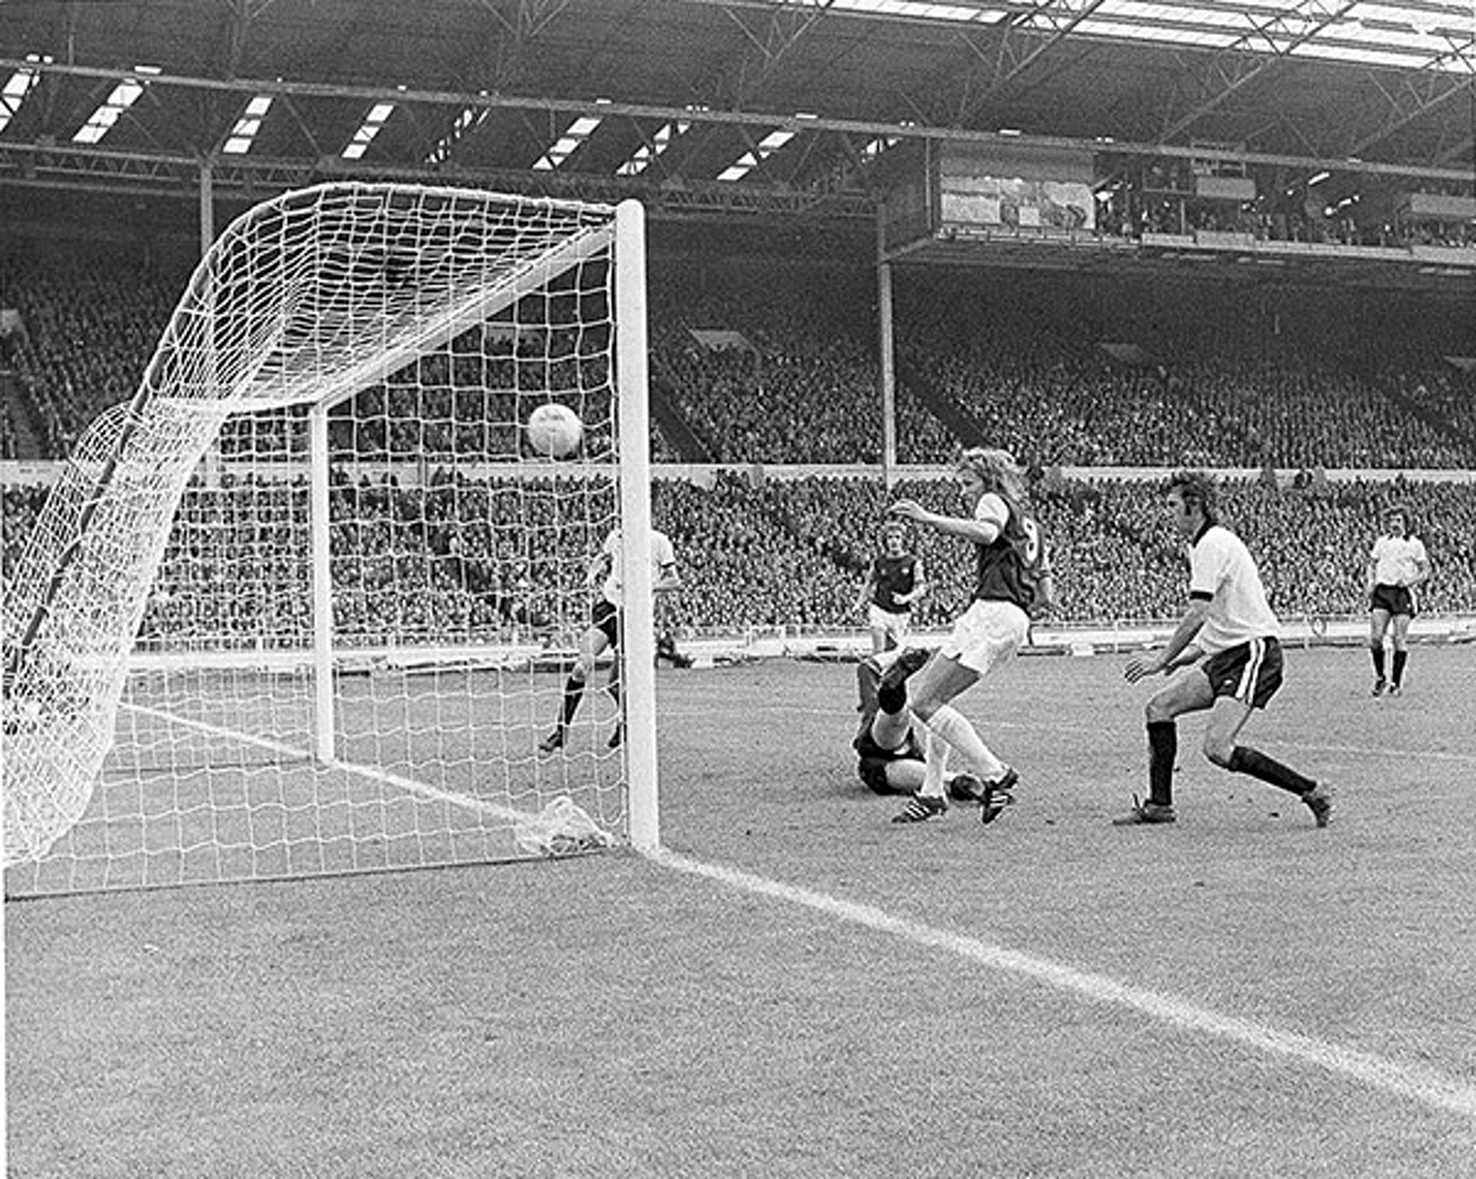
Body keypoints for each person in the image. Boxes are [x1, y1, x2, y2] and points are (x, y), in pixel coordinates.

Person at [1119, 470, 1333, 827]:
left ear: (1195, 505)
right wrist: (1184, 656)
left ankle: (1313, 791)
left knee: (1217, 748)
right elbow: (1222, 618)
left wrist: (1162, 659)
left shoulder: (1212, 544)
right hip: (1228, 655)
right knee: (1159, 707)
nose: (1167, 512)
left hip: (1253, 654)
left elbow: (1198, 613)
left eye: (1172, 505)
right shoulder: (1202, 545)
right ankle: (1159, 806)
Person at [883, 448, 1054, 824]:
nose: (964, 492)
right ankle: (932, 793)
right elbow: (1046, 591)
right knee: (937, 702)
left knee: (924, 703)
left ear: (988, 480)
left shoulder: (992, 500)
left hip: (992, 612)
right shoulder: (1030, 523)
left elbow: (987, 531)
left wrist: (929, 518)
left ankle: (995, 774)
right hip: (1011, 617)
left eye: (968, 483)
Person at [539, 525, 680, 753]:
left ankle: (625, 723)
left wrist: (644, 587)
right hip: (608, 609)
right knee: (580, 668)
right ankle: (560, 732)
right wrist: (591, 574)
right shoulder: (615, 536)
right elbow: (602, 557)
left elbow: (674, 581)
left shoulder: (659, 542)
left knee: (614, 686)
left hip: (634, 616)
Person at [853, 646, 985, 805]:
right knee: (896, 722)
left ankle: (956, 782)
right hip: (896, 747)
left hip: (877, 746)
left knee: (892, 724)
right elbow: (868, 666)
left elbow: (867, 666)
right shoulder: (872, 690)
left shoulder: (869, 688)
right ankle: (958, 783)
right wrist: (902, 653)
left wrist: (900, 654)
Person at [1365, 506, 1430, 697]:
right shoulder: (1382, 542)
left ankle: (1395, 683)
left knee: (1398, 639)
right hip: (1382, 591)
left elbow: (1425, 571)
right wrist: (1370, 582)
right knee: (1376, 638)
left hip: (1402, 593)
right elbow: (1371, 564)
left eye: (1398, 520)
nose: (1394, 524)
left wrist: (1410, 581)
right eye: (1392, 520)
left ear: (1406, 523)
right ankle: (1380, 677)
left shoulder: (1415, 544)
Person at [854, 521, 929, 654]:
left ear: (903, 540)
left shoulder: (913, 562)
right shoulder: (878, 562)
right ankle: (877, 663)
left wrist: (906, 598)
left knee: (894, 653)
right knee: (878, 650)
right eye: (890, 537)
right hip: (879, 608)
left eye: (897, 537)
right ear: (885, 541)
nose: (894, 541)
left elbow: (921, 588)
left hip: (901, 613)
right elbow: (868, 583)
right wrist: (859, 603)